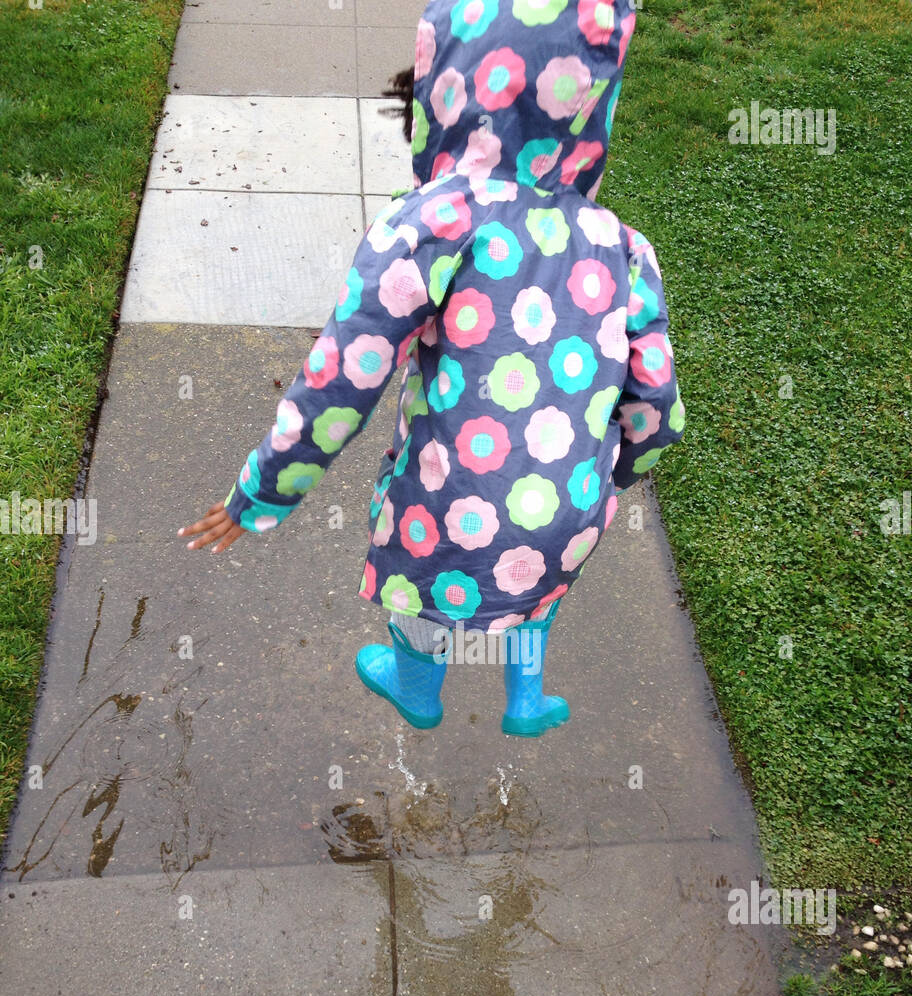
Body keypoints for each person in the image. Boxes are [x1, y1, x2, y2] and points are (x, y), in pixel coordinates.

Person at [179, 0, 685, 737]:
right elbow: (657, 402)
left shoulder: (432, 223)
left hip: (451, 502)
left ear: (448, 90)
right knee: (534, 582)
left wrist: (260, 491)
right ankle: (525, 700)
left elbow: (340, 381)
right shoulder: (622, 245)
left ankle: (416, 689)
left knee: (423, 578)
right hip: (570, 507)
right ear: (589, 104)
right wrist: (620, 471)